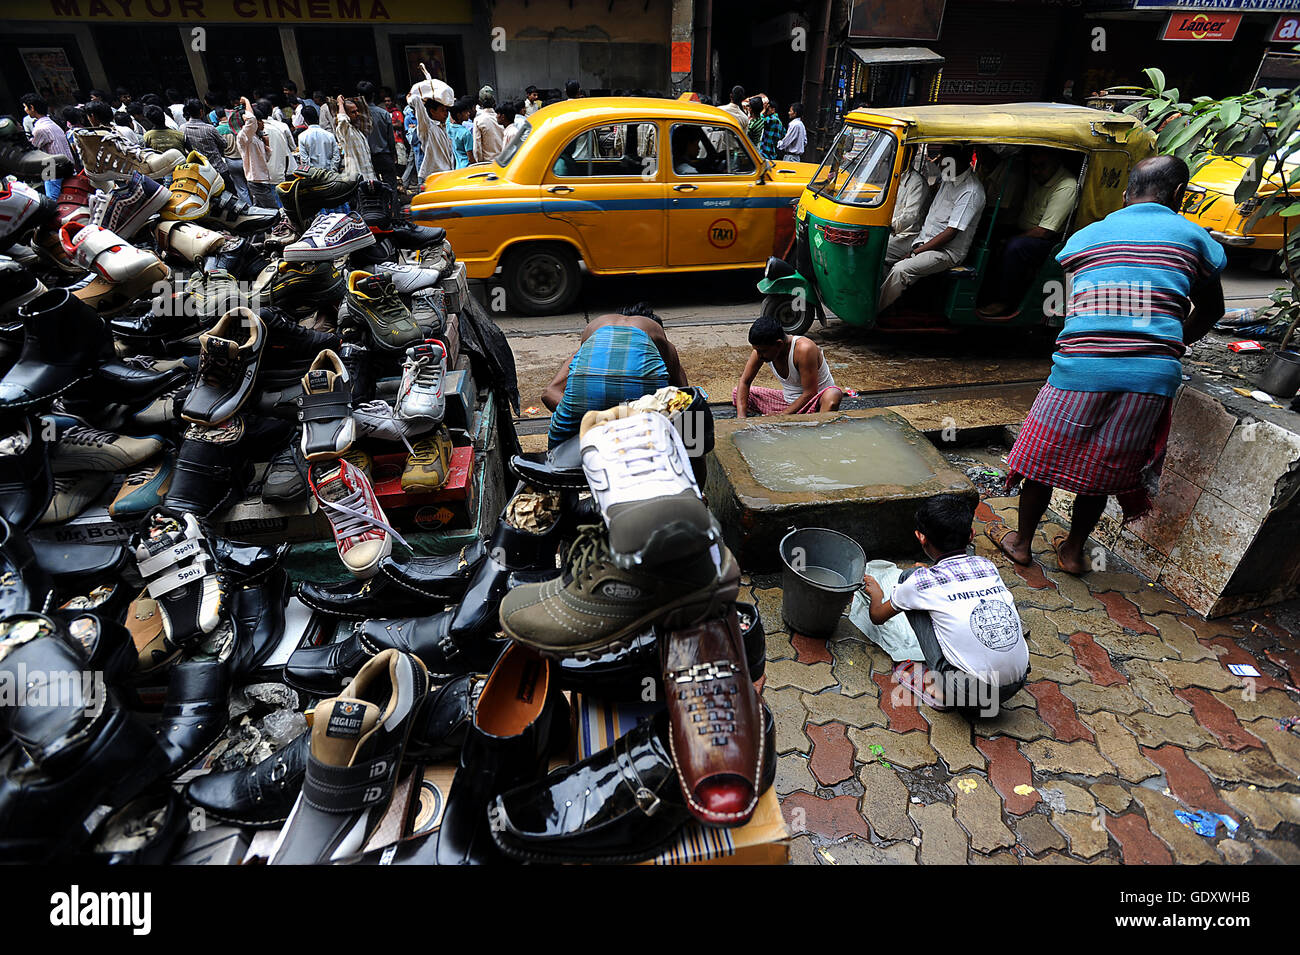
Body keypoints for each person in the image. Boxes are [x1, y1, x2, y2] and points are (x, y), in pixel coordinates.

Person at [985, 156, 1227, 575]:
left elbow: (1079, 301)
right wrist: (1168, 345)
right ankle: (1073, 553)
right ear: (1178, 195)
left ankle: (1022, 543)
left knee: (1041, 460)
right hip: (1150, 379)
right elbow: (1212, 308)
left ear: (1125, 194)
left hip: (1079, 369)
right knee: (1106, 465)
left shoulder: (1087, 236)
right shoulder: (1194, 237)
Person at [863, 494, 1029, 712]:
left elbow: (877, 617)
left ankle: (940, 691)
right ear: (971, 535)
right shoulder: (987, 566)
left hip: (971, 694)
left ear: (921, 537)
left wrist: (877, 593)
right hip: (1017, 683)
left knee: (908, 580)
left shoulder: (920, 583)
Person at [544, 303, 689, 448]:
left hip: (586, 418)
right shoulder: (654, 330)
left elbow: (549, 393)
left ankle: (552, 465)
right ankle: (698, 469)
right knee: (691, 414)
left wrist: (595, 420)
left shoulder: (596, 333)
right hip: (639, 420)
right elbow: (685, 394)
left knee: (557, 455)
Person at [879, 143, 985, 312]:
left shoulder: (971, 191)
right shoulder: (948, 177)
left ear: (961, 160)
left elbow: (950, 234)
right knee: (878, 250)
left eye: (945, 157)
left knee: (901, 270)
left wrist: (914, 253)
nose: (940, 161)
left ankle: (876, 311)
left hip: (945, 251)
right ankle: (893, 301)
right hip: (922, 238)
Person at [977, 149, 1080, 318]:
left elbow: (1044, 231)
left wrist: (1010, 239)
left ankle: (1005, 301)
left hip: (1049, 241)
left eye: (1042, 166)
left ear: (1055, 163)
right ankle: (984, 293)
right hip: (1025, 230)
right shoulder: (1036, 177)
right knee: (990, 233)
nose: (1036, 171)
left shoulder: (1066, 185)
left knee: (1015, 247)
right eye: (1033, 166)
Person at [733, 314, 842, 417]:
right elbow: (745, 382)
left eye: (763, 351)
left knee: (832, 395)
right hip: (788, 403)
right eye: (757, 350)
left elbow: (810, 393)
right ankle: (793, 419)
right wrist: (741, 419)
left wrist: (781, 416)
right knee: (739, 393)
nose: (759, 355)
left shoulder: (804, 349)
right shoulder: (761, 351)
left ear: (779, 344)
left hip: (814, 402)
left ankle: (816, 425)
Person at [20, 94, 76, 198]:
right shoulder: (52, 123)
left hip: (52, 168)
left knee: (53, 200)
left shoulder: (40, 129)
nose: (25, 110)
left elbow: (32, 149)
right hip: (67, 164)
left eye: (25, 107)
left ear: (32, 107)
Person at [890, 146, 938, 253]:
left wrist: (887, 225)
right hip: (891, 232)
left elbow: (910, 217)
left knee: (876, 249)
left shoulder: (917, 183)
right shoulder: (893, 178)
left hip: (907, 236)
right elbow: (877, 201)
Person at [236, 96, 280, 208]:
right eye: (260, 120)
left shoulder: (256, 138)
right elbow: (251, 120)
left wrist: (267, 145)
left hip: (263, 180)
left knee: (264, 212)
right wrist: (246, 101)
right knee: (274, 210)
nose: (262, 123)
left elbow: (266, 159)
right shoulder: (244, 137)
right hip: (256, 182)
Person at [356, 80, 397, 190]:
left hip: (367, 158)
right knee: (391, 186)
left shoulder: (356, 116)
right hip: (384, 155)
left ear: (359, 97)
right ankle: (393, 207)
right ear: (373, 95)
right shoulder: (383, 113)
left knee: (372, 189)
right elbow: (390, 138)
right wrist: (393, 153)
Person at [407, 88, 455, 180]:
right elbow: (416, 101)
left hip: (446, 174)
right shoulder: (428, 127)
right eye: (442, 110)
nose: (446, 114)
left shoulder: (443, 127)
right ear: (433, 111)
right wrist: (411, 96)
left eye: (446, 110)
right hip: (433, 176)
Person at [180, 98, 230, 180]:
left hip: (201, 172)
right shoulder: (210, 129)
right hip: (218, 169)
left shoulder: (182, 128)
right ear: (201, 111)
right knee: (231, 191)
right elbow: (224, 144)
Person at [333, 95, 375, 180]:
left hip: (369, 177)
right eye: (353, 112)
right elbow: (343, 120)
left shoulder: (357, 131)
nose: (357, 114)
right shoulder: (346, 131)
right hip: (357, 179)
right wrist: (340, 104)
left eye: (357, 111)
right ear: (347, 114)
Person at [297, 104, 338, 171]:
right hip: (330, 174)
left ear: (305, 120)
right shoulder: (330, 135)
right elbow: (336, 157)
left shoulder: (302, 137)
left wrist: (312, 174)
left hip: (313, 175)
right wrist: (332, 171)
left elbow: (304, 160)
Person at [472, 86, 505, 164]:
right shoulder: (501, 117)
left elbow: (477, 147)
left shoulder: (478, 120)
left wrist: (479, 162)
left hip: (488, 163)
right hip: (504, 161)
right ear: (494, 101)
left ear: (480, 102)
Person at [449, 97, 475, 168]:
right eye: (465, 112)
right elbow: (470, 158)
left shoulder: (450, 129)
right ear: (459, 115)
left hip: (458, 167)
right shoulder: (466, 133)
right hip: (467, 167)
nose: (468, 113)